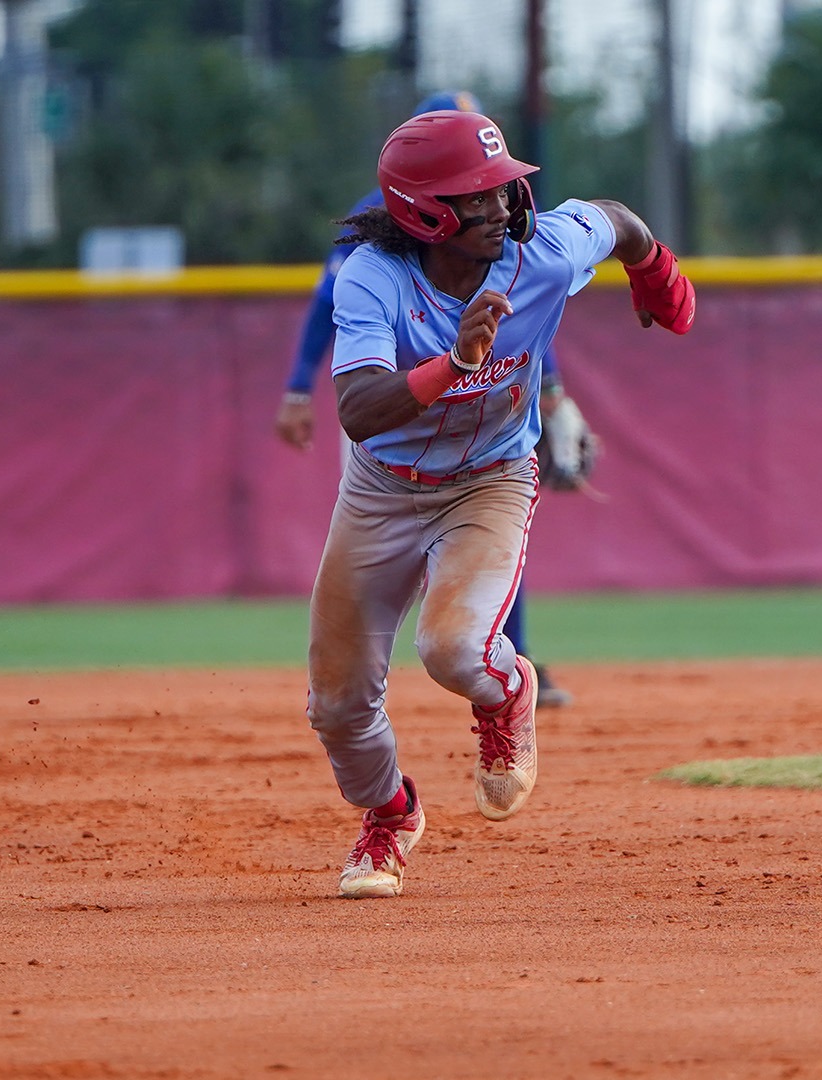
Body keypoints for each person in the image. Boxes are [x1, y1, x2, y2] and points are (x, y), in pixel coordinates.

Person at [306, 108, 696, 898]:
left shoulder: (541, 251)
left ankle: (508, 696)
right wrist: (454, 363)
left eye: (502, 187)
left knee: (454, 651)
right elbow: (357, 409)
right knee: (338, 703)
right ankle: (391, 814)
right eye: (475, 195)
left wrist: (656, 276)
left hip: (489, 479)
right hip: (382, 488)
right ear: (422, 212)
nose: (501, 205)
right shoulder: (371, 277)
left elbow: (618, 222)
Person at [273, 91, 586, 710]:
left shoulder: (495, 216)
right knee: (380, 555)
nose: (495, 198)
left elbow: (523, 307)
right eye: (474, 182)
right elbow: (327, 309)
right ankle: (362, 689)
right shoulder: (379, 229)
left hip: (485, 422)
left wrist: (550, 390)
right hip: (391, 409)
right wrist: (296, 386)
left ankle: (502, 657)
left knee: (486, 534)